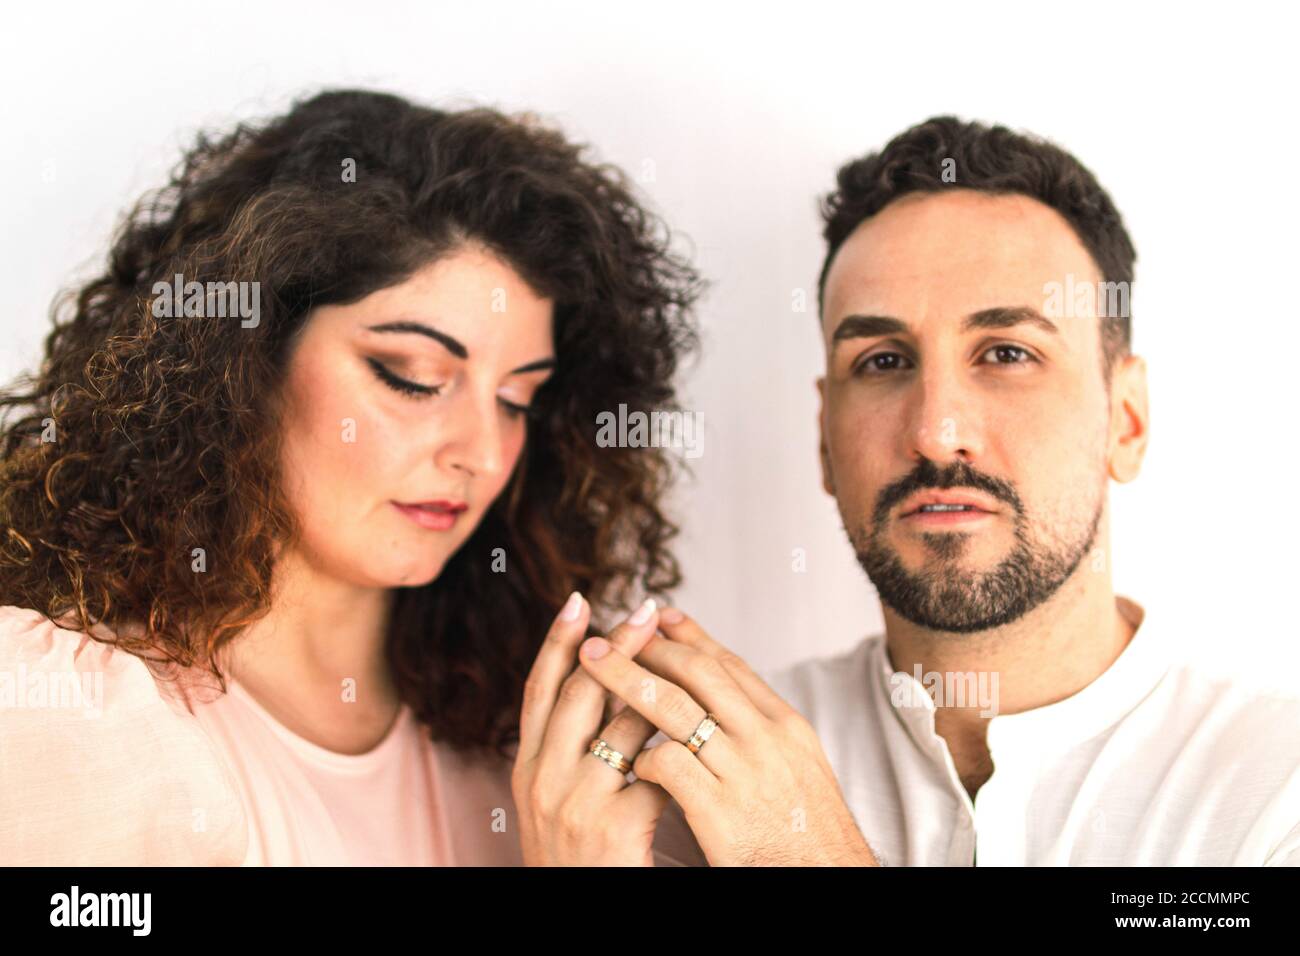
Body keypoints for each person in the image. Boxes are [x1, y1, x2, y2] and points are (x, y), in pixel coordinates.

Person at [529, 116, 1300, 866]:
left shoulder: (1276, 788)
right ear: (824, 436)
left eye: (1005, 352)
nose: (936, 432)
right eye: (884, 362)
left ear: (1126, 422)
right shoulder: (675, 780)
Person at [0, 88, 703, 865]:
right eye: (412, 377)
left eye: (516, 400)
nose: (481, 452)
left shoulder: (535, 757)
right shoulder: (65, 714)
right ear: (242, 361)